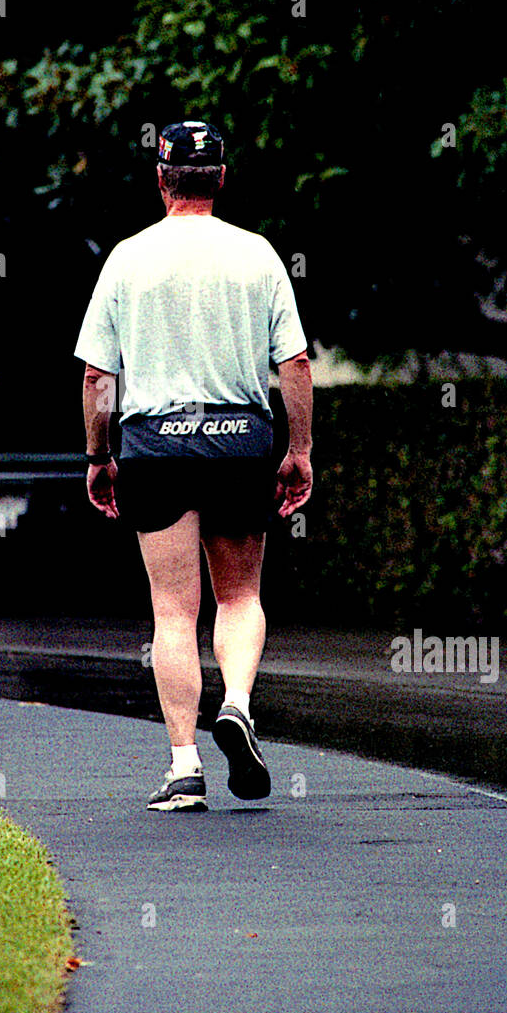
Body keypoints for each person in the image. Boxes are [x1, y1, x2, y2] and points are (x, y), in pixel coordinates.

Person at [74, 120, 313, 811]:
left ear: (160, 178)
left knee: (173, 613)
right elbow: (293, 363)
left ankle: (184, 769)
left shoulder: (127, 258)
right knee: (239, 596)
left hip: (155, 443)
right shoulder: (258, 255)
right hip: (240, 438)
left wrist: (99, 454)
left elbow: (97, 376)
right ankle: (236, 703)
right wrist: (296, 450)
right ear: (221, 178)